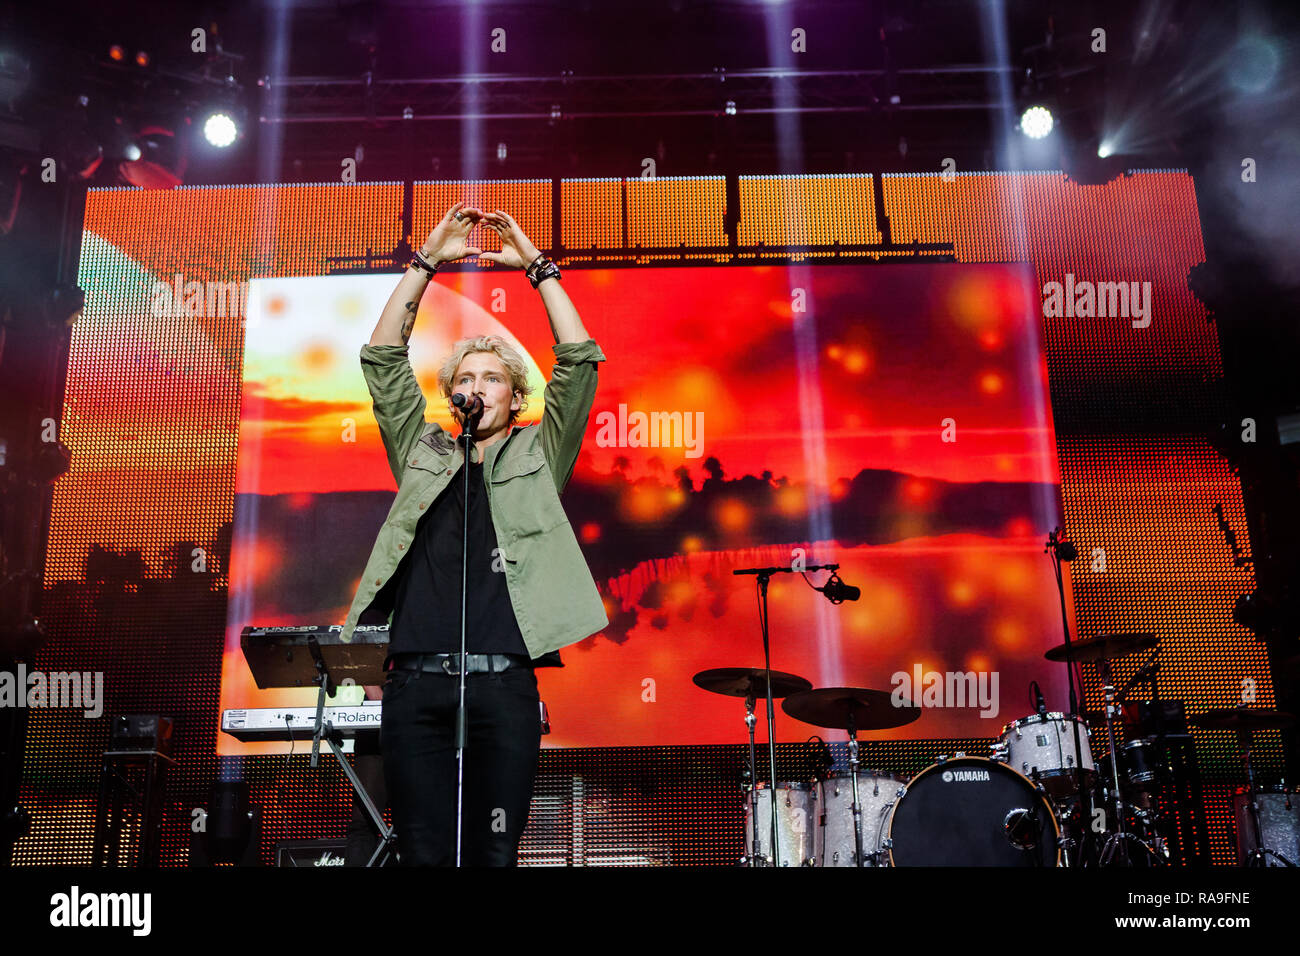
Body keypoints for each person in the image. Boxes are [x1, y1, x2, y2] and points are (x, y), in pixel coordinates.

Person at [338, 202, 609, 865]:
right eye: (466, 378)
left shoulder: (537, 455)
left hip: (503, 689)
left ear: (515, 397)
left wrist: (538, 269)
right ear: (451, 393)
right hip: (416, 688)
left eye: (493, 378)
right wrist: (426, 261)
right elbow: (381, 359)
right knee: (424, 852)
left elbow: (579, 361)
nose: (478, 386)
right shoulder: (422, 450)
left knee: (493, 853)